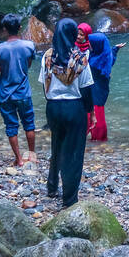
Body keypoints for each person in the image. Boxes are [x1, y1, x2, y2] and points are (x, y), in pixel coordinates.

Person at [38, 19, 91, 207]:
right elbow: (86, 89)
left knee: (57, 146)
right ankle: (69, 198)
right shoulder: (80, 58)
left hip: (52, 107)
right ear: (71, 35)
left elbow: (43, 84)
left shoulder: (47, 56)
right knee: (74, 153)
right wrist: (90, 112)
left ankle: (52, 187)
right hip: (74, 107)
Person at [0, 14, 37, 167]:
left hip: (6, 94)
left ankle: (19, 159)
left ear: (4, 29)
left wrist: (6, 69)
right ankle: (32, 156)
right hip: (23, 93)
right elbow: (28, 64)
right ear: (20, 28)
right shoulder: (29, 46)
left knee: (11, 127)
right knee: (29, 124)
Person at [85, 31, 123, 142]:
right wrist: (115, 49)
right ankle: (99, 140)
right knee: (97, 116)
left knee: (94, 118)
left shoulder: (93, 62)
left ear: (96, 45)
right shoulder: (104, 57)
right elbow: (110, 59)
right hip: (99, 94)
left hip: (94, 94)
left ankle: (96, 141)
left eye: (90, 42)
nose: (89, 44)